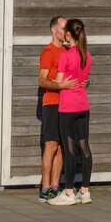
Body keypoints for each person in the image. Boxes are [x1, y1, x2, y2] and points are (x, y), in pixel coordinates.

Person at [48, 17, 93, 205]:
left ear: (68, 34)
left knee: (69, 149)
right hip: (83, 105)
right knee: (85, 148)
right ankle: (84, 190)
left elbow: (59, 82)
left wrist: (61, 83)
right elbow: (84, 80)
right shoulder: (87, 55)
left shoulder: (65, 55)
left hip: (68, 107)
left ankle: (68, 192)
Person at [37, 15, 81, 203]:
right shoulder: (48, 52)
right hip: (52, 103)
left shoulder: (67, 52)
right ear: (54, 30)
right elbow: (42, 79)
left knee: (63, 146)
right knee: (51, 145)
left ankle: (56, 186)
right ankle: (45, 188)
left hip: (67, 103)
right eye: (64, 28)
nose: (67, 32)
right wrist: (60, 85)